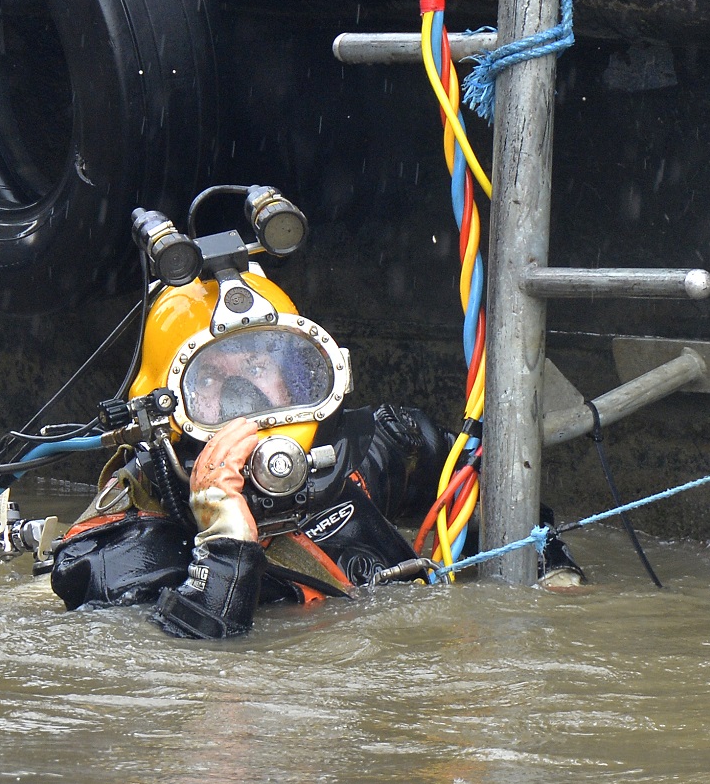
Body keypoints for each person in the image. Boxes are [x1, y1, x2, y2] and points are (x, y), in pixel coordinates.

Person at [45, 266, 582, 639]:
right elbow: (196, 682)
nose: (244, 402)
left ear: (298, 374)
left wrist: (554, 572)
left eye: (259, 368)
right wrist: (224, 542)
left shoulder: (373, 448)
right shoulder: (116, 555)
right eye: (212, 378)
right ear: (162, 404)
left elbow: (494, 485)